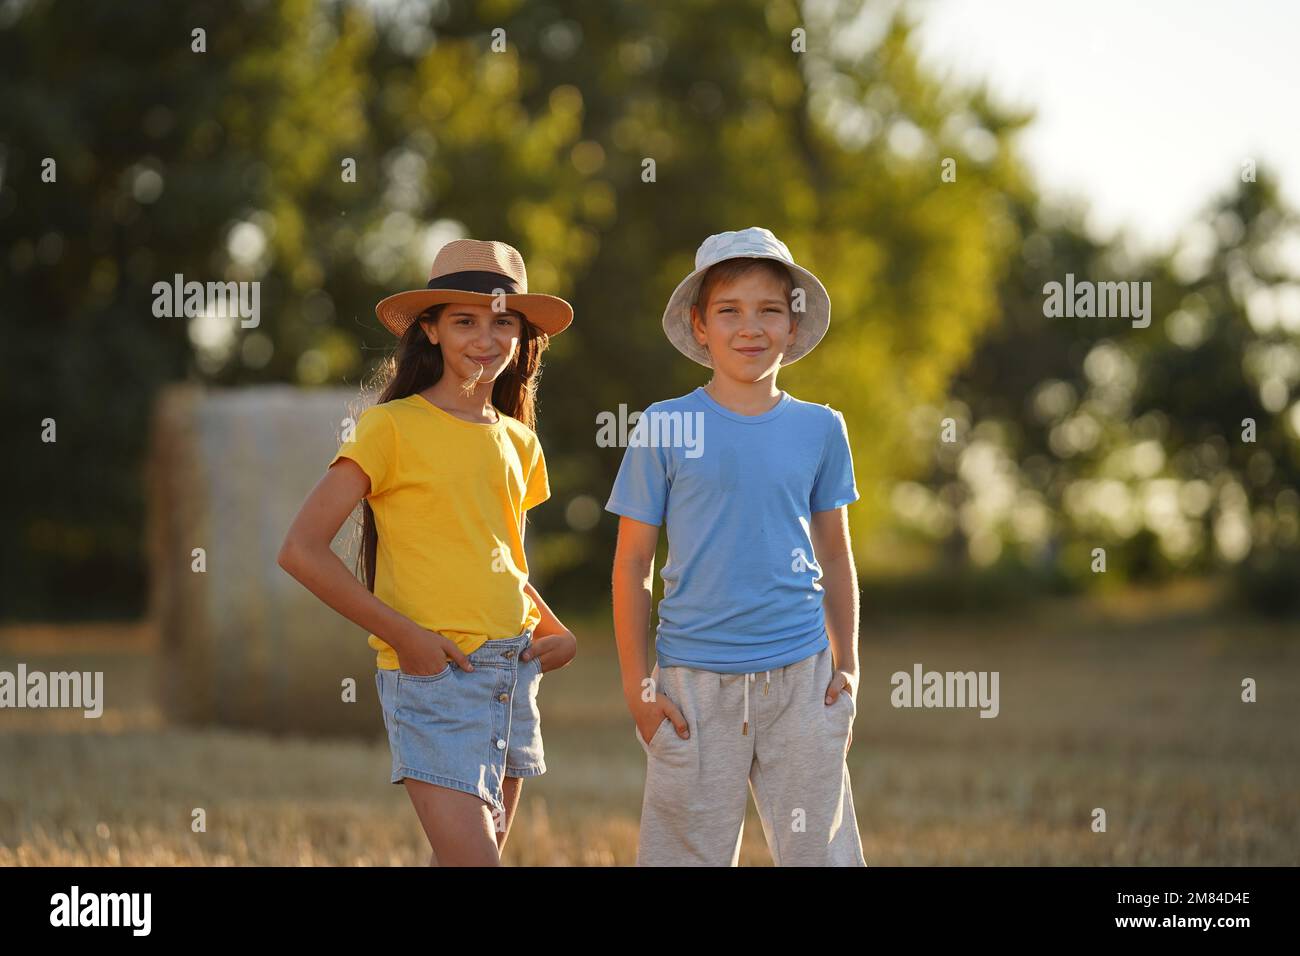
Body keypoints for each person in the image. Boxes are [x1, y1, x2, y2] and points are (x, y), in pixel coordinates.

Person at [279, 239, 577, 866]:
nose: (486, 337)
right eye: (464, 320)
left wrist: (555, 631)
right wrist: (407, 638)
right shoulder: (391, 428)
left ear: (524, 338)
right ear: (431, 330)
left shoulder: (520, 444)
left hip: (512, 676)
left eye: (504, 322)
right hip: (436, 679)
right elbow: (302, 551)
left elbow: (499, 561)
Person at [607, 226, 866, 866]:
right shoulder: (665, 425)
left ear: (793, 323)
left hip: (802, 677)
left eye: (769, 309)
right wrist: (640, 687)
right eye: (730, 311)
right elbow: (634, 564)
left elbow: (835, 554)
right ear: (700, 325)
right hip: (692, 682)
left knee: (820, 855)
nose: (750, 327)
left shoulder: (821, 428)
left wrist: (849, 661)